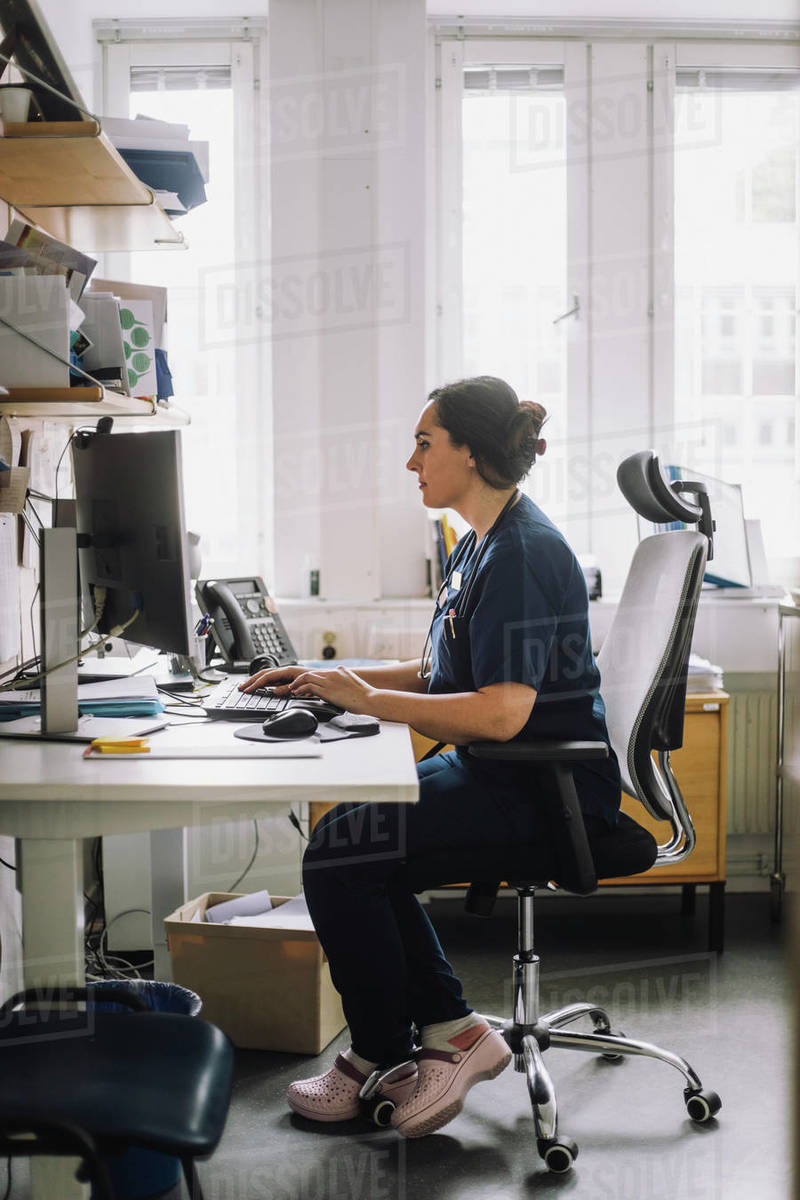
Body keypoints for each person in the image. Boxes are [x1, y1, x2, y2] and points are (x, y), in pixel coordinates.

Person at [241, 375, 622, 1138]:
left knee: (341, 855)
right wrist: (331, 680)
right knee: (351, 845)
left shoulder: (521, 554)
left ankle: (392, 1052)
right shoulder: (479, 541)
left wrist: (366, 701)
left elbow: (504, 712)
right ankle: (449, 1030)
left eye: (424, 443)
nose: (411, 462)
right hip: (498, 768)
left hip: (544, 786)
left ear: (471, 454)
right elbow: (440, 674)